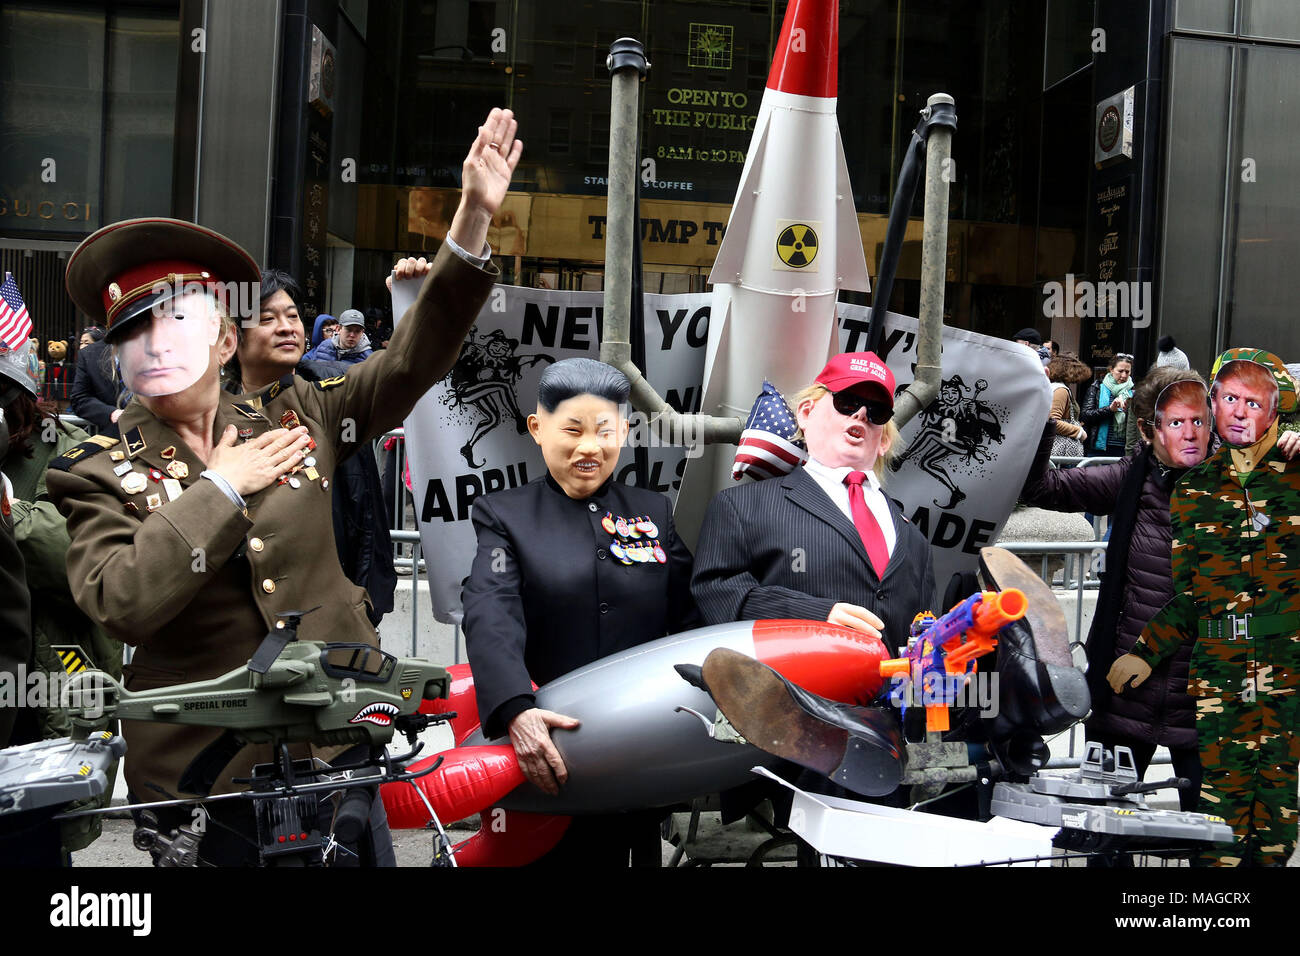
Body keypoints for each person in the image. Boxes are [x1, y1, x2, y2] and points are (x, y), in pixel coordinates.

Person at [46, 107, 521, 865]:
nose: (158, 345)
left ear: (225, 339)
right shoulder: (91, 469)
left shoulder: (299, 410)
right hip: (210, 791)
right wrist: (222, 491)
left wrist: (470, 220)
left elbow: (410, 363)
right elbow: (122, 602)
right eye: (137, 333)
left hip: (339, 755)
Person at [461, 357, 699, 866]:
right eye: (571, 429)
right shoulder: (506, 516)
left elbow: (690, 614)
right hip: (548, 749)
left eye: (604, 430)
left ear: (625, 431)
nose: (589, 447)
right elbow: (490, 610)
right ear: (537, 428)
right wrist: (515, 709)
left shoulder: (652, 511)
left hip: (637, 751)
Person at [1108, 348, 1300, 866]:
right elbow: (1193, 595)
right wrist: (1145, 652)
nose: (1240, 411)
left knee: (1277, 823)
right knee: (1220, 830)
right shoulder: (1194, 489)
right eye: (1230, 398)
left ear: (1277, 412)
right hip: (1219, 672)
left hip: (1284, 668)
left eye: (1255, 402)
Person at [1022, 367, 1219, 813]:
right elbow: (1044, 487)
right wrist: (1041, 427)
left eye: (1199, 419)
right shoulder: (1131, 477)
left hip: (1205, 700)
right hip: (1125, 690)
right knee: (1108, 829)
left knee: (1212, 841)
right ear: (1148, 430)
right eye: (1175, 421)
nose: (1191, 433)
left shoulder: (1236, 482)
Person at [692, 352, 935, 657]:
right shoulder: (741, 507)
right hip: (789, 699)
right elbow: (715, 597)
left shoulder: (915, 538)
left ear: (883, 440)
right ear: (806, 413)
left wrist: (939, 676)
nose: (860, 413)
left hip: (890, 703)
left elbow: (924, 635)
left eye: (877, 412)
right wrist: (814, 615)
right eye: (846, 401)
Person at [1, 338, 123, 857]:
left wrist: (6, 509)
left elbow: (79, 556)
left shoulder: (72, 450)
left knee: (33, 845)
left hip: (45, 688)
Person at [228, 269, 396, 626]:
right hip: (246, 620)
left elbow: (406, 367)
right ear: (232, 339)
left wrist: (365, 599)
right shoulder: (211, 417)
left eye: (293, 316)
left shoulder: (330, 394)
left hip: (332, 613)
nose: (288, 327)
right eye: (267, 319)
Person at [70, 327, 123, 437]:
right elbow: (79, 398)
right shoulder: (88, 354)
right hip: (113, 436)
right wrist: (111, 413)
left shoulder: (157, 348)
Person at [1082, 352, 1134, 457]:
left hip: (1123, 449)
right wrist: (1110, 409)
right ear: (1111, 369)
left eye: (1127, 372)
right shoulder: (1097, 388)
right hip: (1097, 449)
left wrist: (1128, 411)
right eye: (1120, 371)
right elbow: (1085, 415)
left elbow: (1135, 423)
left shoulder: (1133, 392)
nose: (1124, 375)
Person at [1045, 354, 1091, 455]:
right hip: (1062, 449)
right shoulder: (1061, 390)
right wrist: (1079, 432)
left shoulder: (1052, 387)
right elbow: (1052, 421)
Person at [308, 309, 372, 364]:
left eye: (357, 331)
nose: (352, 335)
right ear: (338, 329)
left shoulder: (368, 358)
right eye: (348, 330)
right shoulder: (324, 347)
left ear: (362, 333)